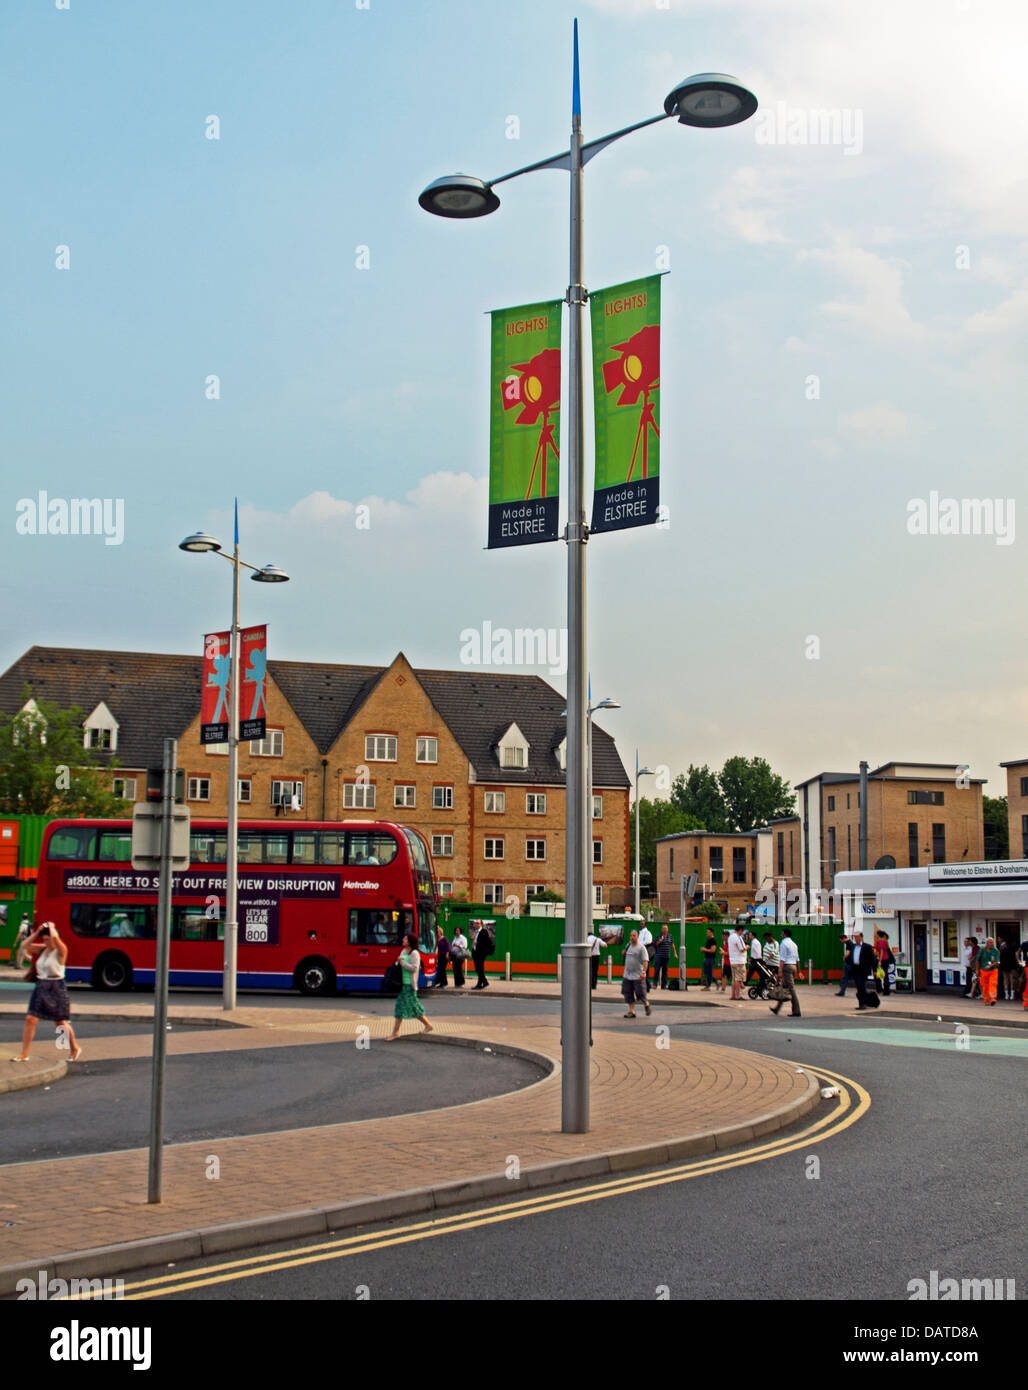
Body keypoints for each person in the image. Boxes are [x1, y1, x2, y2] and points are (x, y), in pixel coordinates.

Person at [12, 922, 81, 1063]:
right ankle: (24, 1054)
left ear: (54, 938)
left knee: (59, 1022)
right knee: (30, 1019)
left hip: (56, 986)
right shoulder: (43, 949)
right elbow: (24, 945)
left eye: (47, 939)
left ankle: (74, 1048)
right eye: (44, 939)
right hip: (41, 985)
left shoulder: (61, 951)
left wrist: (52, 928)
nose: (45, 941)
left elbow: (56, 940)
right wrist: (37, 933)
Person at [386, 931, 434, 1040]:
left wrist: (402, 962)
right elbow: (400, 965)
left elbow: (414, 968)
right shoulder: (404, 950)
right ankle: (428, 1025)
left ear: (410, 942)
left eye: (405, 939)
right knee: (412, 1007)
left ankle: (395, 1033)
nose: (403, 940)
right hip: (403, 984)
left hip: (409, 984)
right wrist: (398, 962)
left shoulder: (414, 953)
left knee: (401, 1008)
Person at [769, 925, 801, 1018]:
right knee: (784, 987)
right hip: (793, 966)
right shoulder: (794, 944)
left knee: (791, 989)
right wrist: (799, 971)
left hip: (786, 967)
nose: (781, 934)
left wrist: (779, 971)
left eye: (782, 933)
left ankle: (797, 1010)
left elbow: (782, 959)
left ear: (785, 934)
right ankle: (777, 1008)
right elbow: (797, 959)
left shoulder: (783, 943)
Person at [621, 930, 651, 1018]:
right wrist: (623, 953)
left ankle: (646, 1004)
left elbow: (646, 961)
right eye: (631, 935)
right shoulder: (628, 946)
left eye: (634, 935)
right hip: (627, 974)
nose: (632, 937)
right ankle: (632, 1011)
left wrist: (644, 972)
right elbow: (626, 955)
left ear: (637, 936)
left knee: (640, 993)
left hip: (638, 975)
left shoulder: (641, 948)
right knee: (628, 993)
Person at [850, 930, 877, 1011]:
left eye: (857, 937)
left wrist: (874, 970)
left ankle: (863, 1003)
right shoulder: (853, 946)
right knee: (859, 986)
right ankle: (863, 1002)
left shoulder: (867, 947)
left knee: (861, 985)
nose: (856, 939)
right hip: (855, 969)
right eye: (855, 937)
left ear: (861, 937)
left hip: (863, 970)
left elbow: (872, 959)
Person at [652, 923, 677, 990]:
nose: (665, 930)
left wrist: (675, 953)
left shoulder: (670, 936)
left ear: (667, 929)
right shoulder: (658, 936)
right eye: (663, 928)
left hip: (666, 956)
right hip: (659, 956)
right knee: (657, 970)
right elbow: (655, 944)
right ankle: (654, 984)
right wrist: (660, 941)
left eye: (666, 928)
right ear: (662, 929)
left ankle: (664, 985)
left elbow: (672, 945)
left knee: (665, 972)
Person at [976, 937, 1000, 1006]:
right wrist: (977, 970)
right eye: (990, 942)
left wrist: (990, 966)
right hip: (983, 970)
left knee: (993, 984)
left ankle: (992, 999)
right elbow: (978, 960)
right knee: (984, 985)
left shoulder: (995, 951)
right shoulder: (982, 950)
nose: (992, 944)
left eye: (992, 942)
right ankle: (986, 999)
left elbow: (997, 961)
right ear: (987, 943)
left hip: (993, 970)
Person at [727, 924, 748, 1000]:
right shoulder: (738, 937)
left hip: (732, 960)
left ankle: (733, 995)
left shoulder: (730, 937)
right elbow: (742, 949)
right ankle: (737, 995)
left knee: (734, 979)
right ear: (740, 930)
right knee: (738, 979)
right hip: (739, 961)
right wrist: (747, 947)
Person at [471, 922, 494, 989]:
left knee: (479, 969)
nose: (476, 924)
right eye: (475, 923)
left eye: (478, 923)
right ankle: (484, 982)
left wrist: (478, 942)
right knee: (478, 969)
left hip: (481, 953)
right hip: (475, 952)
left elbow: (485, 941)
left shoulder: (483, 931)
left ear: (481, 924)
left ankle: (480, 984)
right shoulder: (476, 932)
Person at [874, 929, 894, 997]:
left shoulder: (881, 941)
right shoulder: (884, 941)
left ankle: (884, 990)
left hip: (883, 959)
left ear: (879, 935)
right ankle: (885, 990)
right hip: (885, 959)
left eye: (876, 935)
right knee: (885, 975)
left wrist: (880, 961)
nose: (875, 936)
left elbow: (882, 951)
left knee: (882, 975)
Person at [450, 925, 468, 989]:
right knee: (455, 969)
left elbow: (464, 947)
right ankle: (457, 983)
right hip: (454, 955)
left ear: (460, 931)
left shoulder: (463, 938)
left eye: (458, 930)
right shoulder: (455, 937)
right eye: (456, 930)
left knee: (459, 969)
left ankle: (461, 983)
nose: (457, 932)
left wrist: (457, 945)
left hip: (460, 955)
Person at [638, 922, 654, 988]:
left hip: (645, 951)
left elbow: (649, 941)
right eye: (640, 924)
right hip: (640, 951)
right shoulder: (640, 933)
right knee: (641, 969)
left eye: (642, 924)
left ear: (645, 925)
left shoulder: (647, 933)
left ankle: (647, 984)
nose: (640, 925)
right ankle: (646, 984)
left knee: (645, 968)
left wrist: (640, 944)